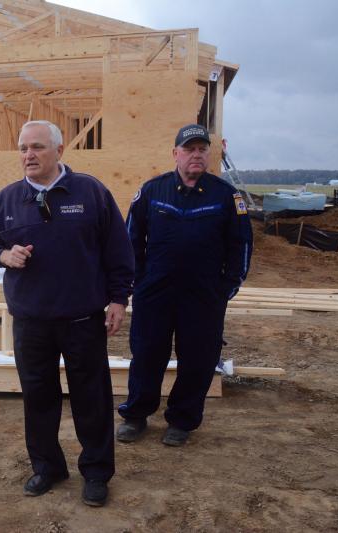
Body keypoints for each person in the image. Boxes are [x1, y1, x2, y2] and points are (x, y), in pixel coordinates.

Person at [0, 120, 134, 507]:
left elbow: (118, 249)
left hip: (82, 320)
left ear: (59, 150)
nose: (28, 155)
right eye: (23, 148)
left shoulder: (91, 193)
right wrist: (4, 255)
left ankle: (96, 473)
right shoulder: (6, 200)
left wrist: (119, 299)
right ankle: (47, 468)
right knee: (38, 398)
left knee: (91, 399)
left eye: (37, 147)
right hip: (31, 323)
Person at [117, 124, 253, 446]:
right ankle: (136, 415)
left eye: (202, 149)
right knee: (147, 354)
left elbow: (242, 245)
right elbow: (130, 240)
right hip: (155, 293)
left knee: (198, 360)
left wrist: (226, 288)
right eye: (189, 149)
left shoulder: (227, 196)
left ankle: (182, 420)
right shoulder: (152, 191)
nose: (196, 155)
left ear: (208, 154)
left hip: (204, 296)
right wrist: (138, 281)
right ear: (175, 154)